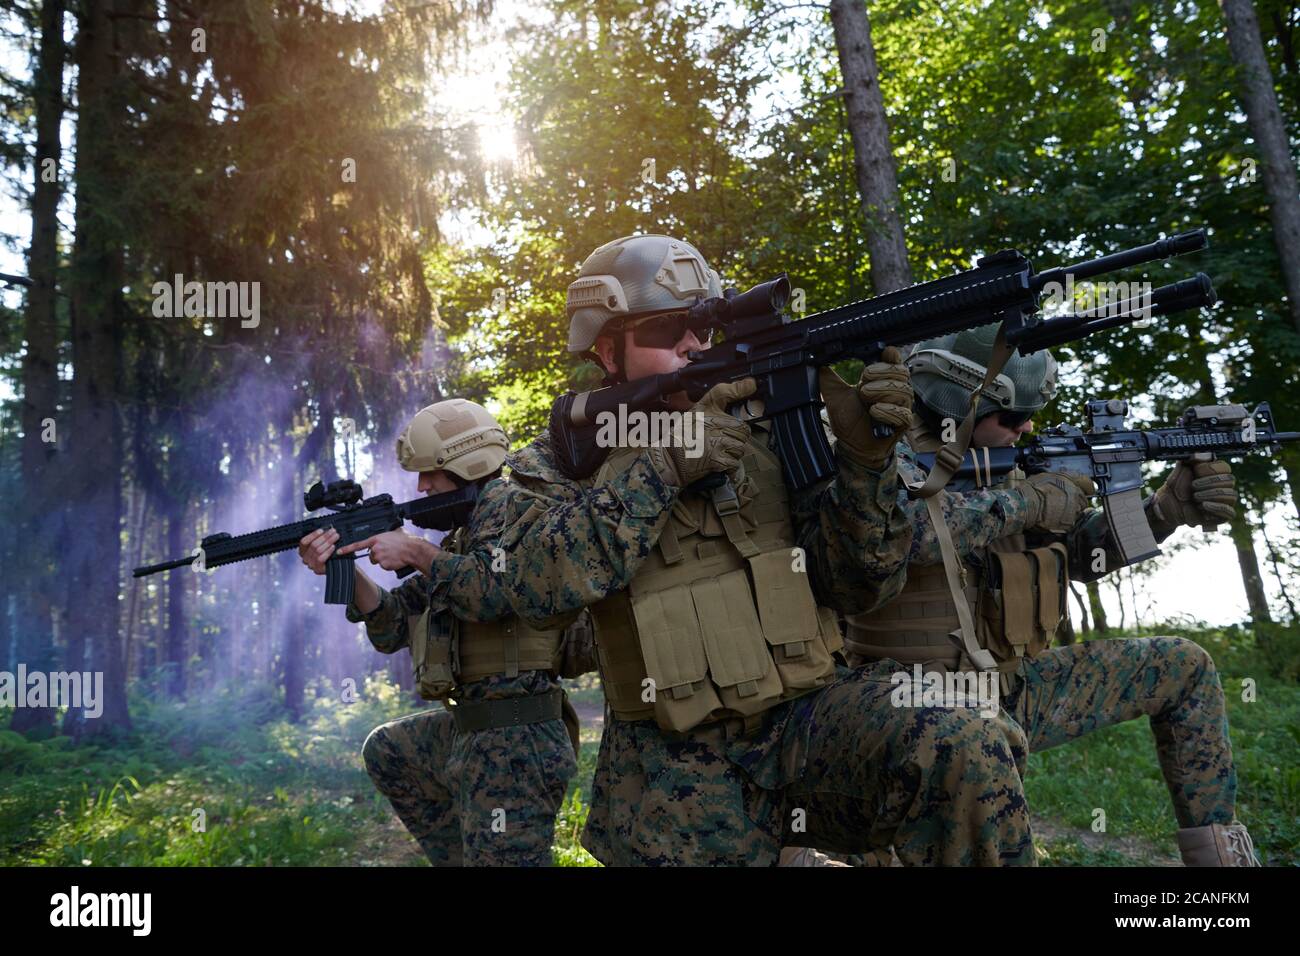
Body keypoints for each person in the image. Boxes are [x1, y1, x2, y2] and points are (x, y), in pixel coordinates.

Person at [484, 234, 1040, 866]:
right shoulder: (557, 462)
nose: (694, 344)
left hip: (813, 719)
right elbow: (531, 590)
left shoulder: (771, 425)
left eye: (704, 328)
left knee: (962, 736)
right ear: (606, 347)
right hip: (672, 766)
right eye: (669, 329)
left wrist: (865, 462)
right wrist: (662, 469)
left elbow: (859, 585)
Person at [842, 323, 1259, 866]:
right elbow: (889, 540)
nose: (1025, 427)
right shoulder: (875, 450)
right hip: (907, 698)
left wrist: (1162, 513)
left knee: (1184, 665)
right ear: (957, 403)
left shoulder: (1016, 465)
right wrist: (1027, 505)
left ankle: (1223, 870)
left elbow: (1084, 557)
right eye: (1010, 417)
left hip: (1013, 685)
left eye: (1029, 415)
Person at [298, 398, 586, 866]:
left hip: (517, 738)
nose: (421, 487)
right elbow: (393, 624)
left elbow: (495, 591)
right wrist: (343, 572)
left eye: (430, 473)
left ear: (467, 465)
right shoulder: (460, 540)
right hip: (473, 730)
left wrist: (414, 552)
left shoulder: (519, 510)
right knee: (390, 751)